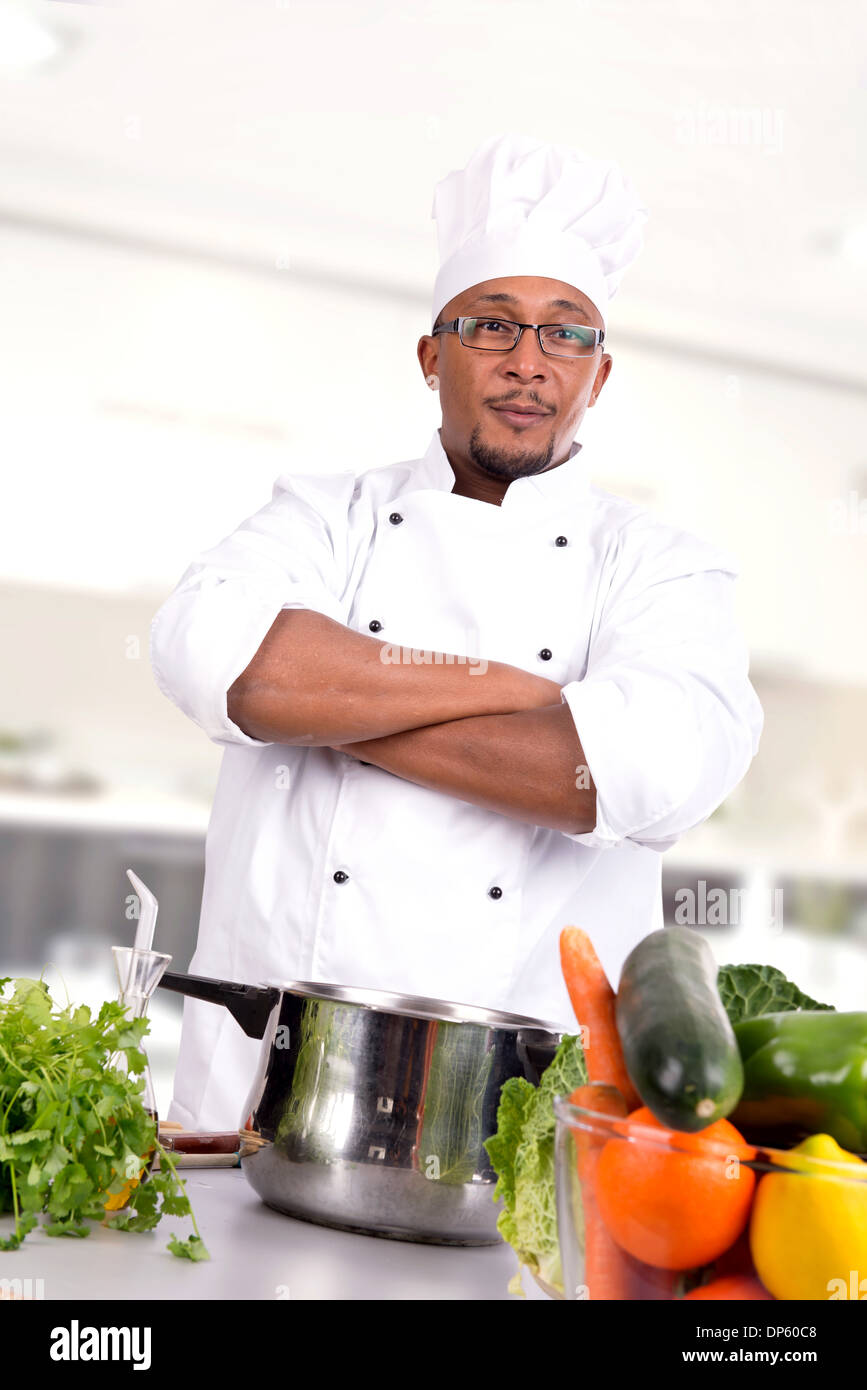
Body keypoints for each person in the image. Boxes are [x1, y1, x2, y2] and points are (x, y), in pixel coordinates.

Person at [151, 132, 763, 1130]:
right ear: (434, 355)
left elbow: (627, 774)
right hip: (262, 1103)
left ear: (598, 375)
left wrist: (334, 698)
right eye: (493, 324)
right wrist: (529, 692)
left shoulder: (660, 565)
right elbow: (226, 662)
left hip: (503, 1125)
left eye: (566, 333)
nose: (529, 362)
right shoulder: (325, 512)